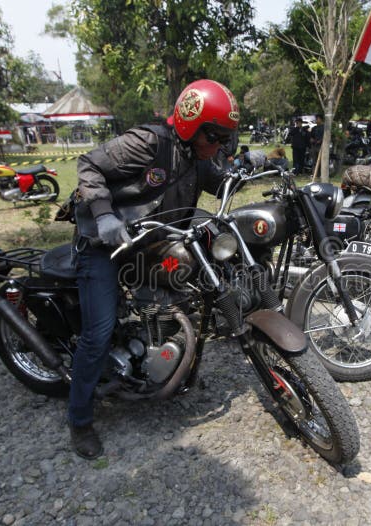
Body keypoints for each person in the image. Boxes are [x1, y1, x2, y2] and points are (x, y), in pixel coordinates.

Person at [69, 79, 239, 459]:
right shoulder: (148, 143)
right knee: (97, 332)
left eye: (225, 139)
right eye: (215, 137)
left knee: (188, 285)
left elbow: (219, 178)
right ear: (191, 126)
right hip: (106, 245)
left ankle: (163, 356)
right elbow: (89, 164)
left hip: (149, 243)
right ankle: (79, 418)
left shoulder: (195, 156)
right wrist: (104, 215)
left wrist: (249, 167)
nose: (219, 146)